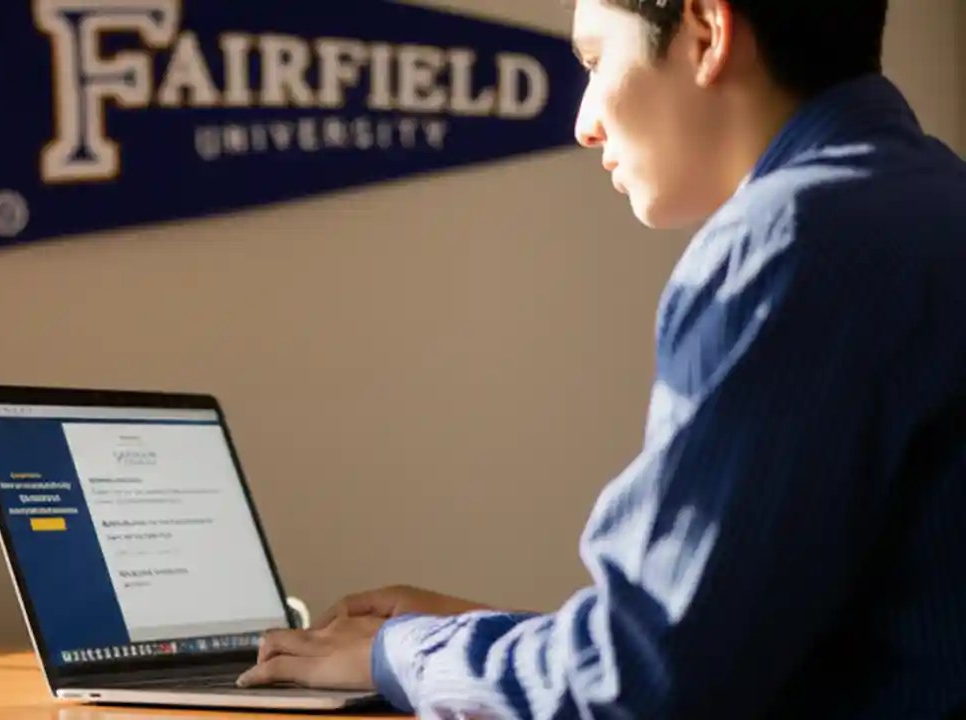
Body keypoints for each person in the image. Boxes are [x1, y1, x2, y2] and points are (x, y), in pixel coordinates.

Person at [234, 0, 966, 717]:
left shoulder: (783, 244)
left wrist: (398, 652)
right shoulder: (935, 200)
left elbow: (638, 684)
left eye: (594, 59)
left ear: (707, 31)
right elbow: (753, 653)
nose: (584, 124)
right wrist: (492, 637)